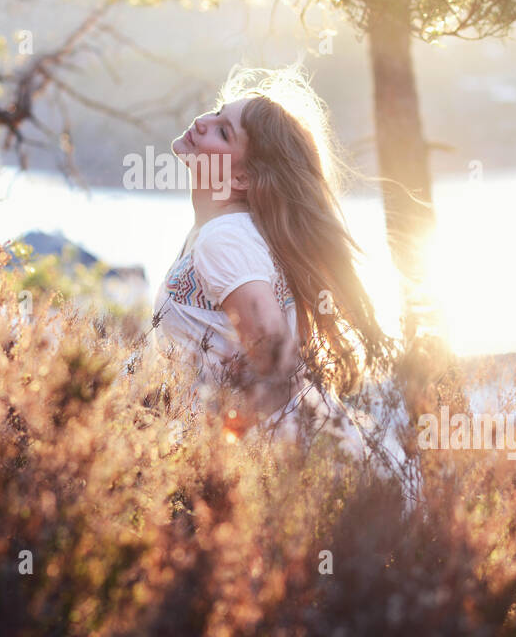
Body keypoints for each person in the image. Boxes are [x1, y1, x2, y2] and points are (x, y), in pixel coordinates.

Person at [134, 63, 418, 496]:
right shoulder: (233, 232)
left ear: (244, 177)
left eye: (223, 132)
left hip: (307, 480)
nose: (203, 122)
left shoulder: (224, 239)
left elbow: (277, 368)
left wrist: (227, 463)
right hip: (311, 470)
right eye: (216, 113)